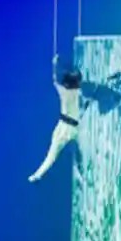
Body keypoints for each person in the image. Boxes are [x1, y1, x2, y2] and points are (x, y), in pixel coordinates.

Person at [28, 55, 82, 183]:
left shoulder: (63, 90)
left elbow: (54, 80)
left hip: (64, 126)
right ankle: (80, 174)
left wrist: (54, 64)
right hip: (74, 128)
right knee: (78, 153)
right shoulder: (79, 91)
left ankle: (37, 175)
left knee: (52, 155)